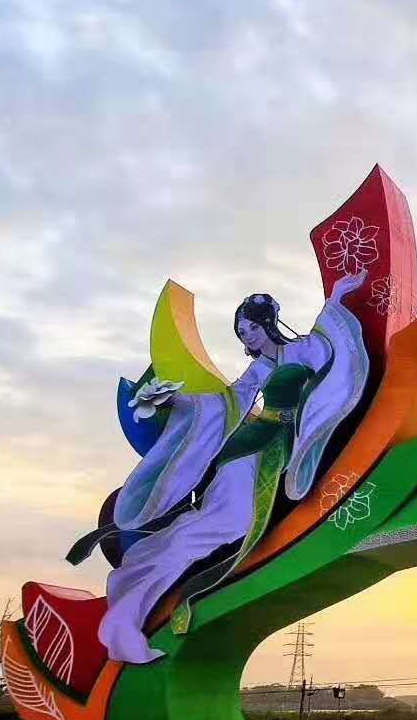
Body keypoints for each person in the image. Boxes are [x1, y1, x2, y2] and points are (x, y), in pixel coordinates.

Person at [74, 270, 372, 664]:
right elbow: (228, 403)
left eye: (251, 328)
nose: (247, 337)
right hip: (249, 450)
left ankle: (134, 601)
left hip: (284, 447)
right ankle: (128, 615)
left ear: (268, 322)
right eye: (242, 332)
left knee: (215, 528)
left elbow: (331, 352)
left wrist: (336, 298)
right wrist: (174, 402)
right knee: (222, 525)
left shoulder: (303, 351)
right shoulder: (258, 371)